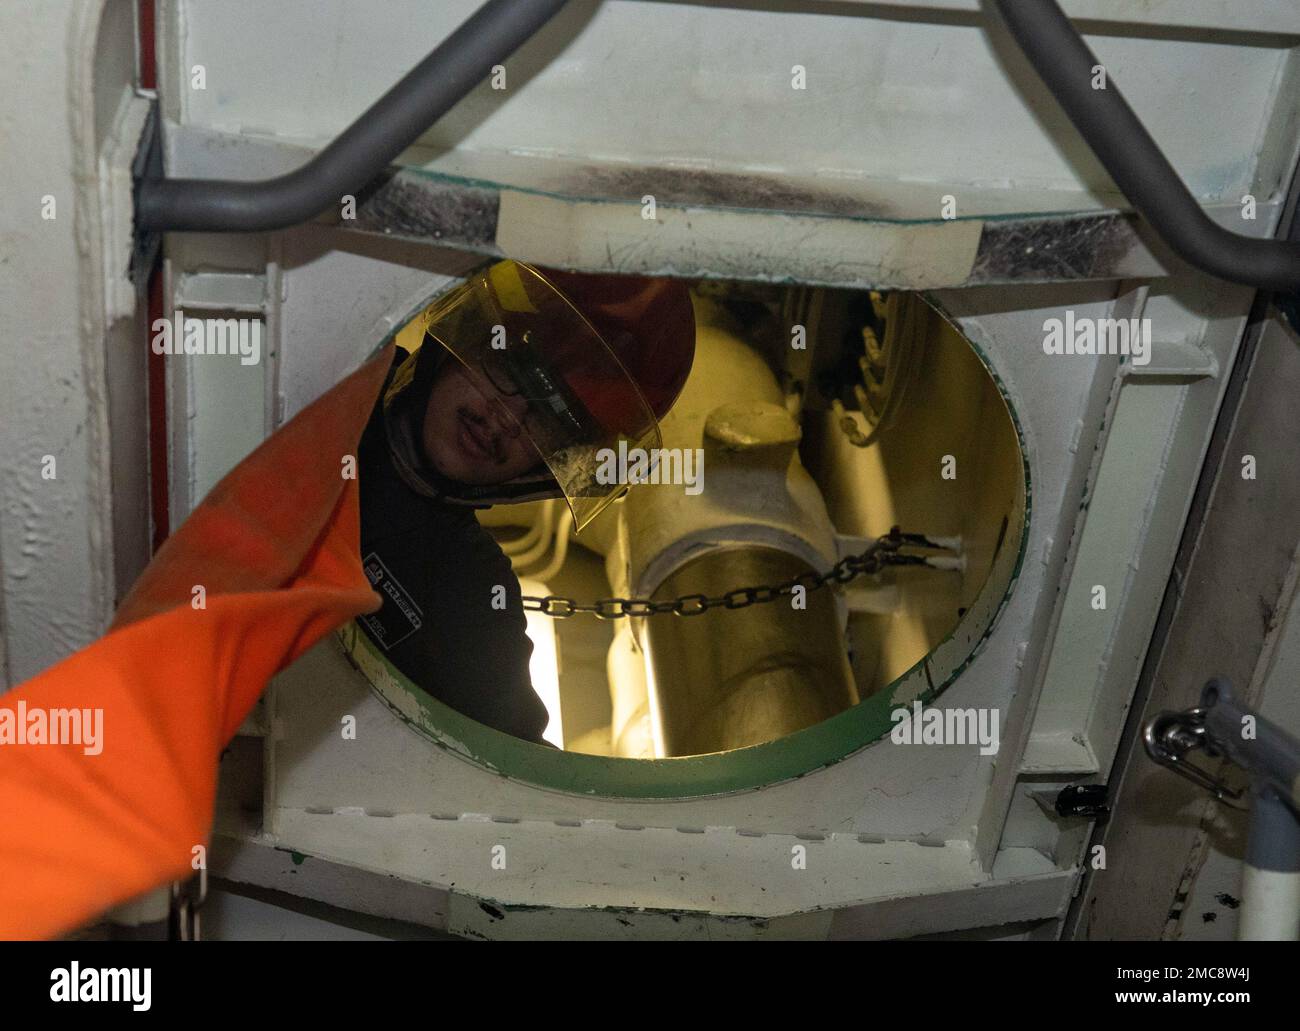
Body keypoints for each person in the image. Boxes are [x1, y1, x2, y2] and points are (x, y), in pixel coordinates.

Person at [355, 259, 696, 745]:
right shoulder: (332, 378)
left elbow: (517, 772)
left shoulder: (471, 599)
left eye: (549, 419)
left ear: (550, 465)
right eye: (505, 367)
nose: (505, 419)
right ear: (459, 338)